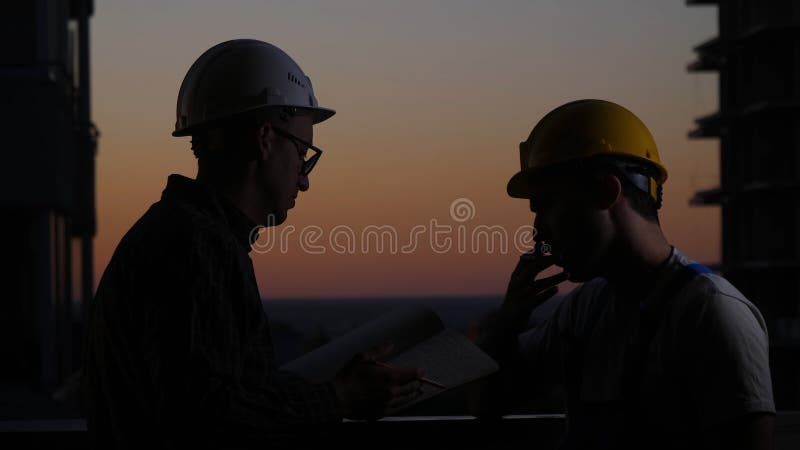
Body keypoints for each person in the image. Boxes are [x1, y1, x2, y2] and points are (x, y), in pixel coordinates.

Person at [82, 39, 421, 449]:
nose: (305, 177)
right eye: (302, 153)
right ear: (264, 138)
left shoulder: (175, 236)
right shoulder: (197, 249)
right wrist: (341, 397)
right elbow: (209, 419)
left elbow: (210, 393)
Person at [474, 99, 775, 449]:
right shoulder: (586, 309)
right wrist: (507, 323)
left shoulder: (711, 314)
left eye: (548, 206)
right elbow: (487, 403)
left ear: (606, 191)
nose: (538, 231)